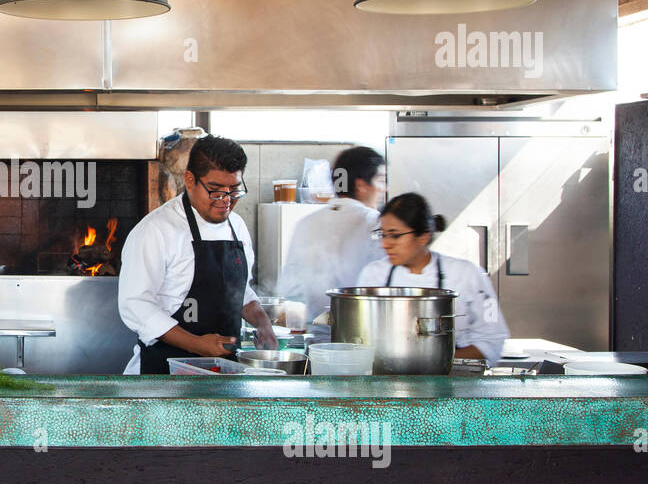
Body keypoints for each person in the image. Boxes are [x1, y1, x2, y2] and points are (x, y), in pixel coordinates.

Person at [118, 135, 277, 375]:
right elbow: (136, 306)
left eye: (234, 191)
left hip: (224, 374)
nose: (225, 201)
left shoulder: (237, 226)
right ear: (190, 180)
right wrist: (197, 345)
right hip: (164, 375)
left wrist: (263, 323)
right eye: (215, 191)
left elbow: (239, 290)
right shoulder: (155, 230)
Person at [356, 192, 509, 362]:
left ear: (423, 236)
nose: (385, 244)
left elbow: (492, 339)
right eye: (383, 234)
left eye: (395, 235)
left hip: (453, 380)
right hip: (385, 378)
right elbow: (359, 338)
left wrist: (433, 365)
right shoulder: (372, 275)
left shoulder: (467, 274)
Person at [277, 146, 386, 335]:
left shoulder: (305, 223)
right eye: (381, 180)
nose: (385, 189)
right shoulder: (375, 223)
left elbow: (290, 289)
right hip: (366, 340)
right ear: (361, 185)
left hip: (317, 342)